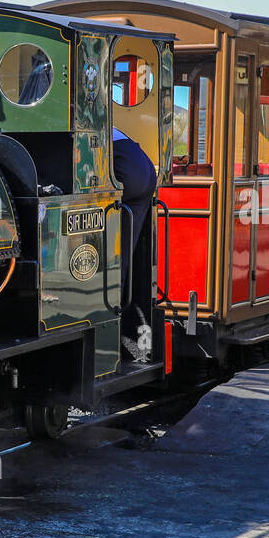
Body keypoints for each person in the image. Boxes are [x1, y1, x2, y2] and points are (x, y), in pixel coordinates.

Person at [112, 128, 158, 362]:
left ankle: (112, 325)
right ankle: (123, 327)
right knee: (123, 255)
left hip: (123, 165)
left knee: (111, 256)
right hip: (143, 167)